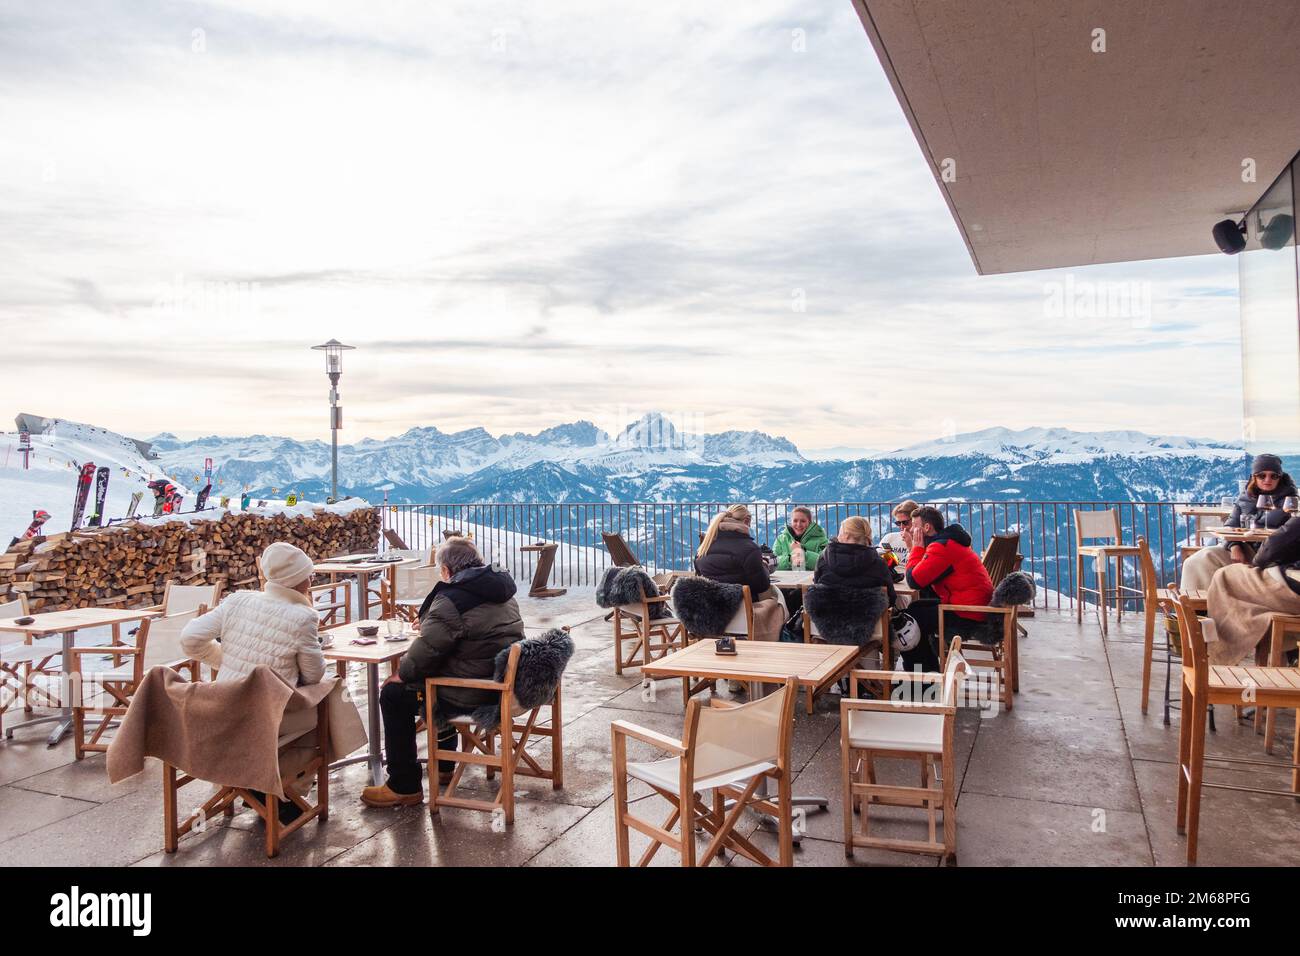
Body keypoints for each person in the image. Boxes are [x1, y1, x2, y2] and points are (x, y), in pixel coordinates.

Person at [361, 536, 523, 808]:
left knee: (394, 693)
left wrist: (401, 674)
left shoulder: (453, 600)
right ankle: (445, 765)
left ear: (447, 571)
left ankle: (403, 784)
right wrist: (431, 622)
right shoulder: (501, 591)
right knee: (432, 679)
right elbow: (460, 635)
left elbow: (426, 652)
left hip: (472, 692)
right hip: (498, 681)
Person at [180, 541, 330, 824]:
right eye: (309, 574)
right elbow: (313, 676)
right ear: (297, 580)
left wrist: (225, 661)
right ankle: (279, 793)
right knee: (322, 713)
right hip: (265, 719)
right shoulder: (302, 617)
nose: (312, 579)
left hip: (220, 713)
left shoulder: (237, 601)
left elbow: (190, 639)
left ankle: (249, 787)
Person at [1181, 454, 1297, 590]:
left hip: (1271, 555)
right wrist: (1235, 546)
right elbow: (1231, 525)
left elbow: (1290, 535)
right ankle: (1194, 606)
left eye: (1274, 476)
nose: (1268, 480)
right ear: (1254, 476)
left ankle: (1209, 605)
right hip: (1246, 549)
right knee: (1195, 561)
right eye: (1262, 475)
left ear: (1280, 477)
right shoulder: (1245, 497)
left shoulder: (1290, 501)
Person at [902, 506, 993, 672]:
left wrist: (915, 548)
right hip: (972, 606)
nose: (910, 530)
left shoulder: (941, 548)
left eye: (913, 526)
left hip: (967, 613)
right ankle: (929, 671)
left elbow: (914, 580)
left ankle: (924, 679)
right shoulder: (949, 542)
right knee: (914, 609)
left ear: (926, 527)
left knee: (907, 623)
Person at [1207, 513, 1300, 666]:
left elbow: (1271, 549)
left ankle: (1219, 654)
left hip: (1294, 592)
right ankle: (1284, 650)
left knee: (1226, 575)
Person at [773, 506, 828, 572]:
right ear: (791, 522)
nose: (798, 524)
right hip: (786, 580)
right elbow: (773, 563)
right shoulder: (781, 539)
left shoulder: (821, 540)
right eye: (795, 521)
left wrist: (802, 554)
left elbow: (825, 563)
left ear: (810, 523)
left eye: (803, 521)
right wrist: (790, 559)